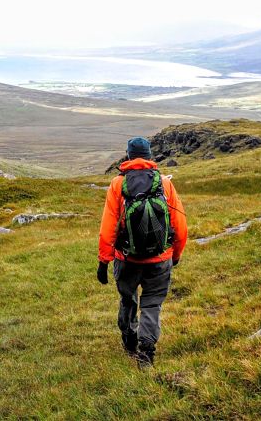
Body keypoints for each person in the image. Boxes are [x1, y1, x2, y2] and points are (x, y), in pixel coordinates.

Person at [97, 137, 188, 367]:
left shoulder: (118, 184)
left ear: (128, 155)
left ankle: (129, 338)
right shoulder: (164, 183)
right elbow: (180, 224)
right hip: (160, 258)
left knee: (128, 299)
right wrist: (175, 254)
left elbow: (108, 225)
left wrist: (103, 261)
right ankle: (146, 352)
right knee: (151, 304)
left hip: (127, 258)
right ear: (149, 155)